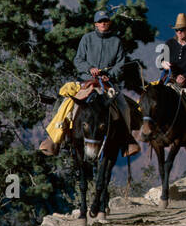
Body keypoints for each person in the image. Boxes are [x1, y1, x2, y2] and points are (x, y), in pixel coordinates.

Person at [40, 9, 139, 157]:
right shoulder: (87, 39)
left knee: (123, 106)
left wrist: (109, 75)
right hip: (86, 82)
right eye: (100, 21)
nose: (103, 23)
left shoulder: (116, 41)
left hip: (107, 84)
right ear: (95, 24)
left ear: (109, 22)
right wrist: (89, 68)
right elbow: (78, 60)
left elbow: (120, 64)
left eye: (105, 21)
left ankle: (127, 140)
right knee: (66, 104)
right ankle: (55, 139)